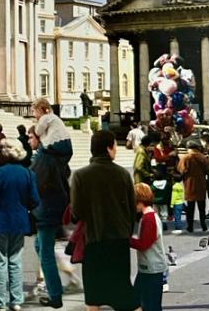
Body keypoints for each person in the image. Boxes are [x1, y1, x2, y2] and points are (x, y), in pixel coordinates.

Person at [70, 129, 139, 311]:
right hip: (118, 241)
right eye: (115, 145)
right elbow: (132, 209)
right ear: (109, 148)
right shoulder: (123, 174)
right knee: (124, 293)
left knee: (94, 297)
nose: (116, 149)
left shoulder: (80, 175)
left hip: (94, 240)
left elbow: (76, 212)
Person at [0, 137, 39, 311]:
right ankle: (17, 300)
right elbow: (35, 200)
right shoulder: (28, 174)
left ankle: (0, 301)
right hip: (19, 222)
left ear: (4, 154)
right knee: (15, 260)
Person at [30, 122, 71, 310]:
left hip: (46, 208)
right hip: (55, 206)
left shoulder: (44, 158)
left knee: (45, 250)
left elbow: (36, 184)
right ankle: (54, 287)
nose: (30, 140)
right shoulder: (55, 156)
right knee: (41, 245)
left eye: (32, 136)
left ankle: (55, 295)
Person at [130, 183, 167, 311]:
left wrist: (126, 240)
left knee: (150, 304)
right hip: (149, 267)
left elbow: (144, 244)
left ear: (139, 201)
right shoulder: (149, 217)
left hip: (151, 267)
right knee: (143, 301)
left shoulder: (149, 219)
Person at [177, 139, 209, 233]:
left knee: (190, 207)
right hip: (201, 183)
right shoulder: (203, 157)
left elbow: (181, 170)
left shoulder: (186, 158)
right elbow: (207, 169)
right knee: (201, 206)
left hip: (189, 184)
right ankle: (203, 224)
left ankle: (190, 226)